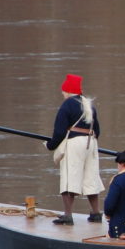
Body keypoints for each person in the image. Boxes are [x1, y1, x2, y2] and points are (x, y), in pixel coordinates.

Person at [44, 73, 105, 225]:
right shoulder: (89, 104)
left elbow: (59, 132)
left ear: (68, 91)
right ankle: (96, 213)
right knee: (91, 178)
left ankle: (68, 215)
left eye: (63, 91)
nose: (63, 94)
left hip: (74, 143)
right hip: (91, 143)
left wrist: (50, 145)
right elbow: (97, 130)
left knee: (69, 178)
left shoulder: (67, 105)